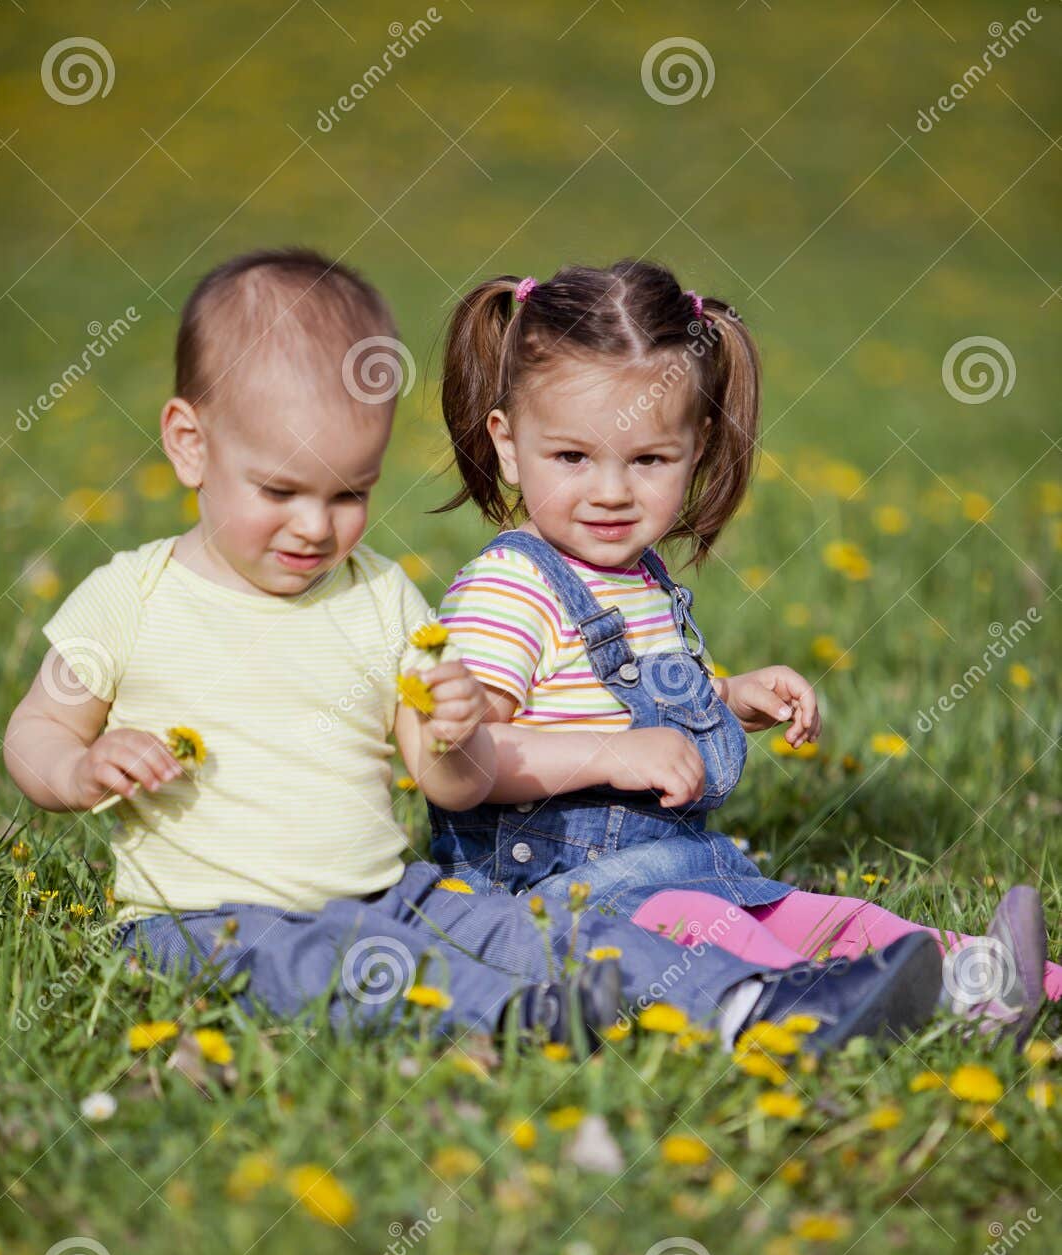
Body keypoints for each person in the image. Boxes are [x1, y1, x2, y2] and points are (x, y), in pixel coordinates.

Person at [2, 247, 944, 1057]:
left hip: (387, 891)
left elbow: (451, 785)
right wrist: (79, 766)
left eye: (348, 494)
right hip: (197, 923)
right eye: (280, 490)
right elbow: (34, 731)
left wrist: (450, 736)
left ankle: (761, 1005)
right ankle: (526, 1016)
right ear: (190, 444)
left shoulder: (382, 599)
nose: (315, 526)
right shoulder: (131, 596)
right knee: (338, 968)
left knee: (521, 926)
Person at [427, 259, 1054, 1048]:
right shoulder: (508, 591)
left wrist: (726, 696)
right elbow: (462, 760)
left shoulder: (634, 577)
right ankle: (849, 1008)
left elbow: (625, 693)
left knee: (820, 913)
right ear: (509, 447)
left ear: (695, 448)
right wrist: (610, 756)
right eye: (572, 458)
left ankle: (997, 977)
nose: (611, 491)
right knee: (721, 931)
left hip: (673, 863)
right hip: (564, 897)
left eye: (649, 460)